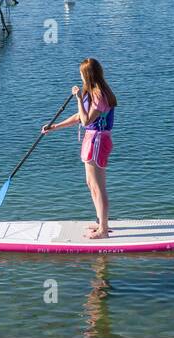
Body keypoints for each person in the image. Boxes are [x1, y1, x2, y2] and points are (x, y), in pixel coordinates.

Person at [42, 58, 117, 239]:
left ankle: (104, 230)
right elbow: (79, 116)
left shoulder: (99, 94)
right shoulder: (91, 92)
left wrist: (77, 98)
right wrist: (55, 127)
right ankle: (101, 221)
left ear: (88, 75)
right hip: (91, 139)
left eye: (82, 74)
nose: (80, 77)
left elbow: (85, 121)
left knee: (98, 187)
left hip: (98, 140)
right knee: (90, 184)